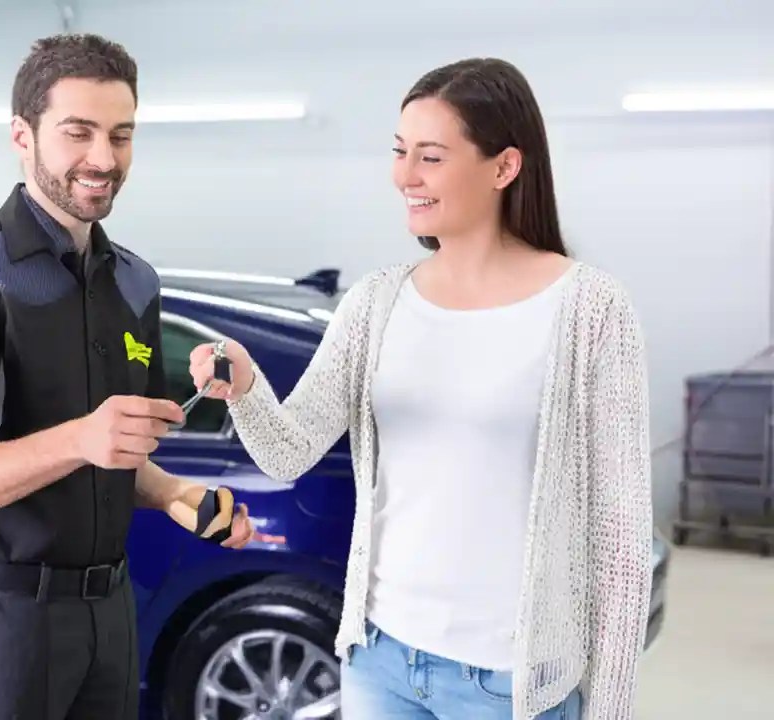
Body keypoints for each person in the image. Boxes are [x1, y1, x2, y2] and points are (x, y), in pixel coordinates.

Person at [188, 57, 652, 720]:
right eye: (400, 152)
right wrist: (247, 386)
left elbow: (621, 552)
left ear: (504, 167)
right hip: (382, 660)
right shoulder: (375, 303)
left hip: (510, 686)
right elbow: (287, 452)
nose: (404, 176)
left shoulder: (591, 311)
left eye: (430, 157)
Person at [0, 33, 258, 720]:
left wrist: (174, 493)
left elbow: (113, 453)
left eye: (121, 135)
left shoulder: (137, 283)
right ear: (22, 136)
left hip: (109, 611)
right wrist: (81, 438)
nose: (104, 159)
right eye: (78, 133)